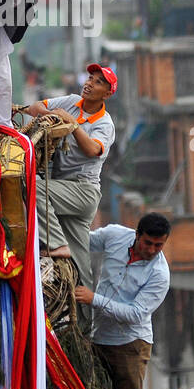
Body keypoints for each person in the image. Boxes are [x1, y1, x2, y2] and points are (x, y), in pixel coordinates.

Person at [73, 212, 172, 389]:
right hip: (98, 336)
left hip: (131, 344)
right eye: (148, 243)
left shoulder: (159, 274)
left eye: (159, 245)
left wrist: (93, 299)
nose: (152, 250)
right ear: (137, 235)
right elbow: (82, 240)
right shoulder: (115, 235)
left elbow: (135, 314)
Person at [22, 65, 117, 296]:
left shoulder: (104, 123)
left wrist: (72, 126)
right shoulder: (71, 101)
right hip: (62, 191)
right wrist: (55, 116)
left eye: (97, 82)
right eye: (90, 78)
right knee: (81, 263)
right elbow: (35, 108)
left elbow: (93, 149)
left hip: (82, 192)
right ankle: (84, 327)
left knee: (33, 188)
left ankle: (55, 244)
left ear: (107, 93)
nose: (89, 83)